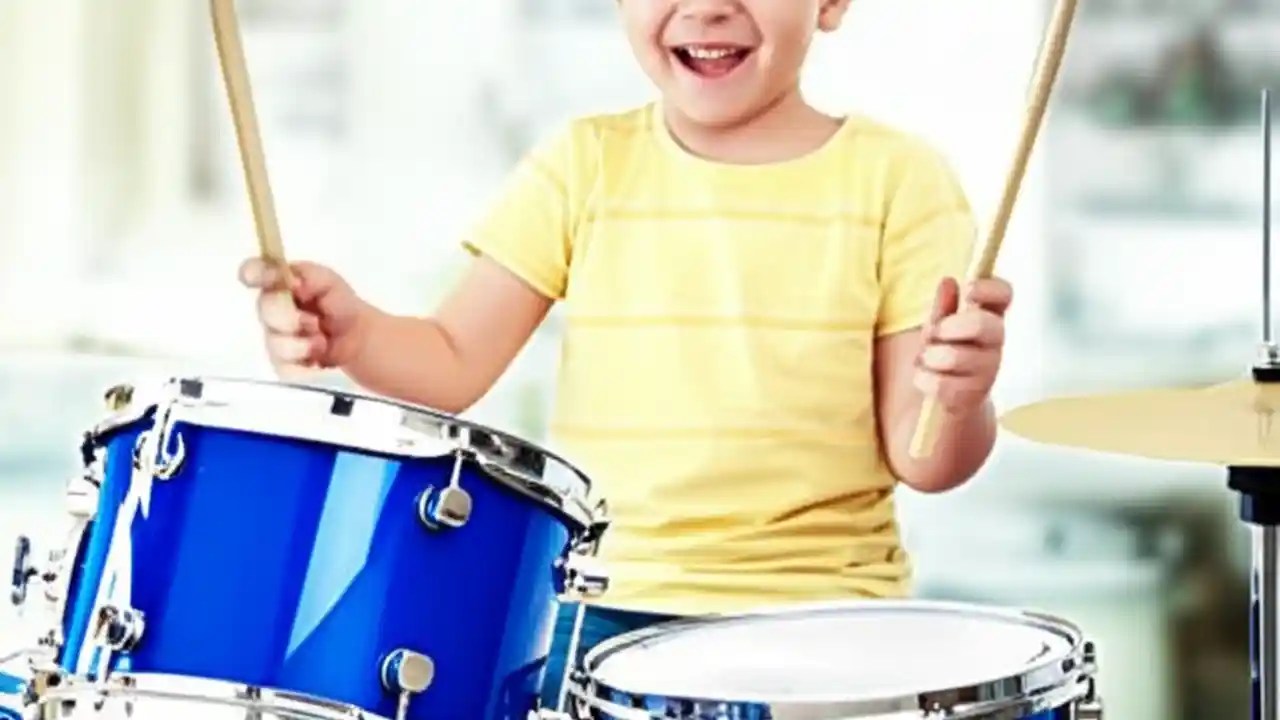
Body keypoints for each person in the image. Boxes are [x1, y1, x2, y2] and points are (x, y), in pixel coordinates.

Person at [240, 0, 1014, 709]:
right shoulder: (584, 163)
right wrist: (358, 334)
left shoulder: (901, 180)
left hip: (826, 618)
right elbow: (449, 360)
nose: (709, 6)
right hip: (599, 613)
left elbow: (927, 461)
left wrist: (961, 393)